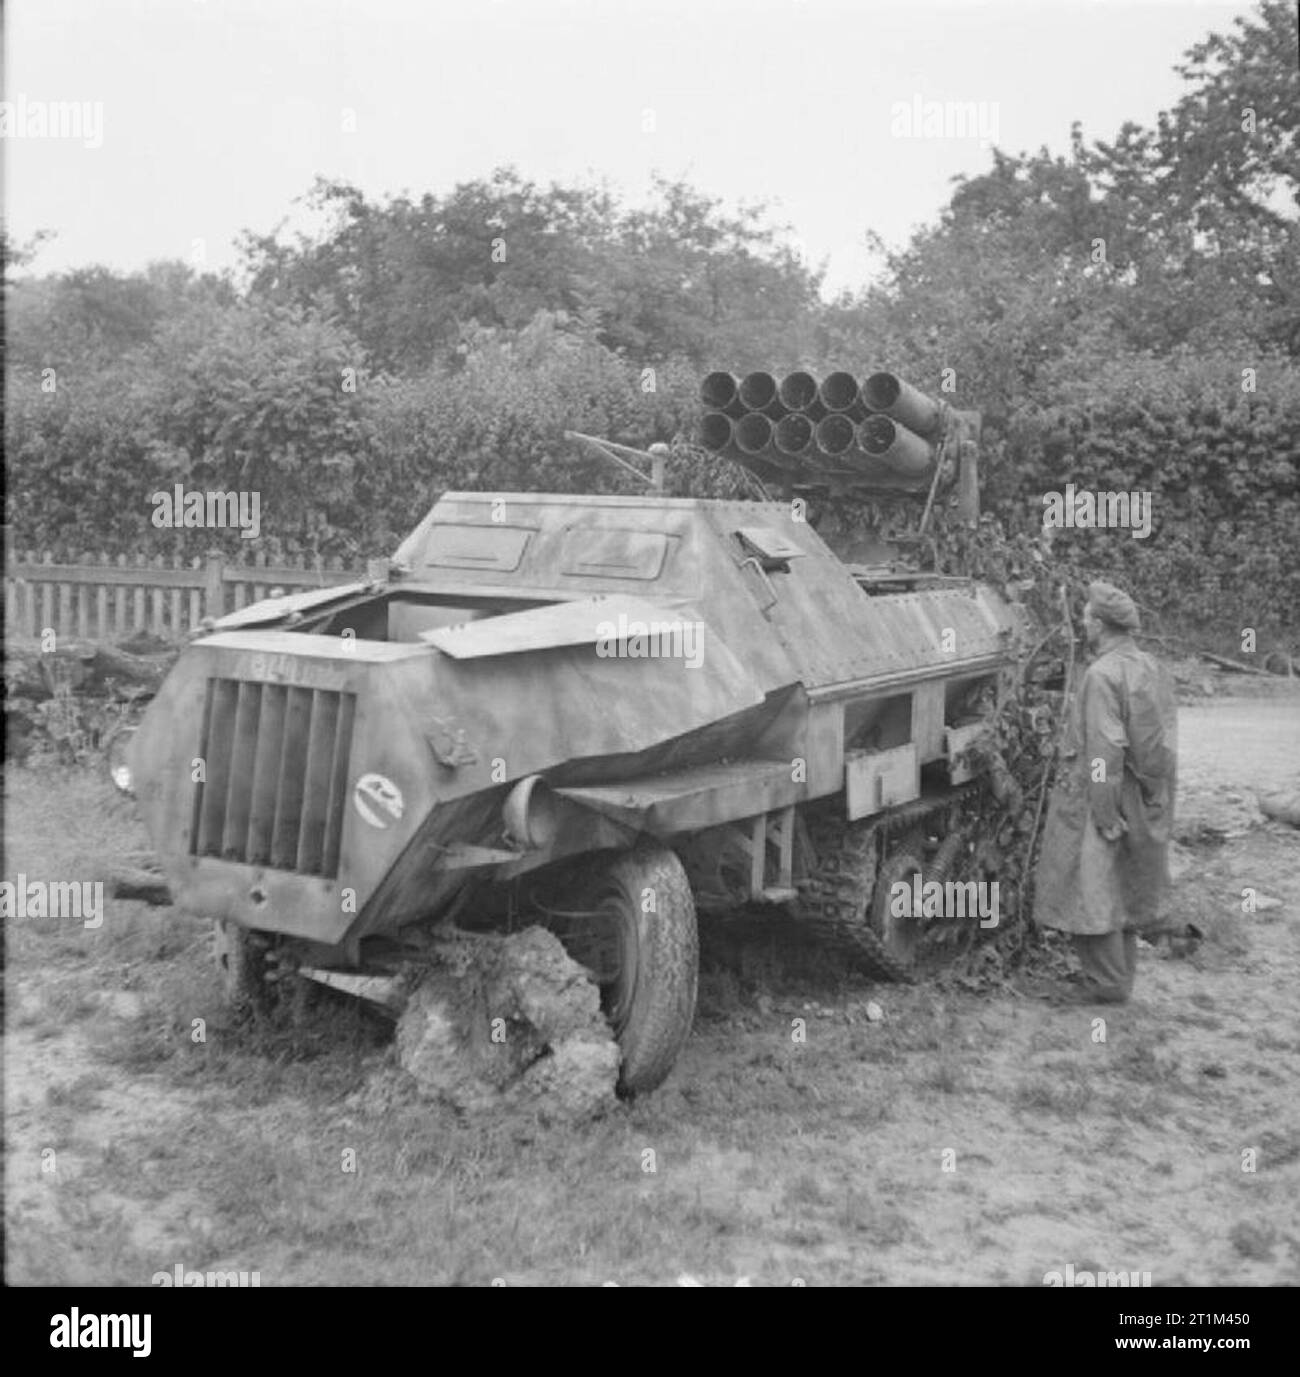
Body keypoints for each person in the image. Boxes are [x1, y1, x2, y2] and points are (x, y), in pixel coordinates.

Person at [1031, 581, 1178, 1004]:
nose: (1082, 622)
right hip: (1142, 792)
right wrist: (1149, 797)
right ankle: (1118, 979)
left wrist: (1105, 813)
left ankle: (1107, 985)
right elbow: (1159, 740)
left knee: (1089, 889)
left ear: (1100, 625)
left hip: (1103, 794)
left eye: (1086, 616)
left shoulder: (1101, 675)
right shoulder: (1150, 666)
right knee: (1123, 887)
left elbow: (1103, 750)